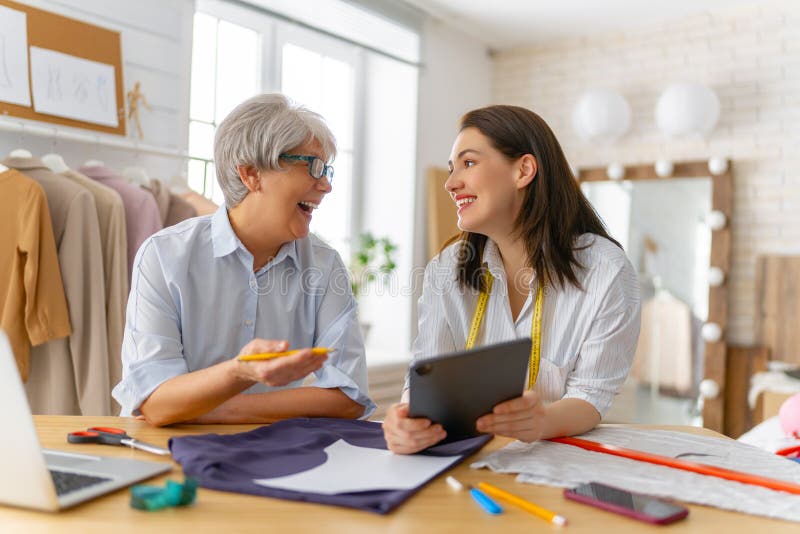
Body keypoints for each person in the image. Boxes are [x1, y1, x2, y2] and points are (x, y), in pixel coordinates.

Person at [383, 105, 640, 454]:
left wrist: (541, 422)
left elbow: (591, 395)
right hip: (466, 460)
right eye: (451, 168)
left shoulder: (606, 270)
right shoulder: (445, 269)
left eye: (468, 163)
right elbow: (426, 376)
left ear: (523, 170)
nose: (450, 183)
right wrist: (405, 419)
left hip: (559, 461)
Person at [113, 94, 374, 426]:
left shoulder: (324, 266)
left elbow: (348, 396)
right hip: (166, 454)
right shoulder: (165, 257)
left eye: (327, 170)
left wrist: (220, 410)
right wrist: (239, 372)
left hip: (270, 457)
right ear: (252, 174)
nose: (326, 185)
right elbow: (156, 401)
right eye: (313, 166)